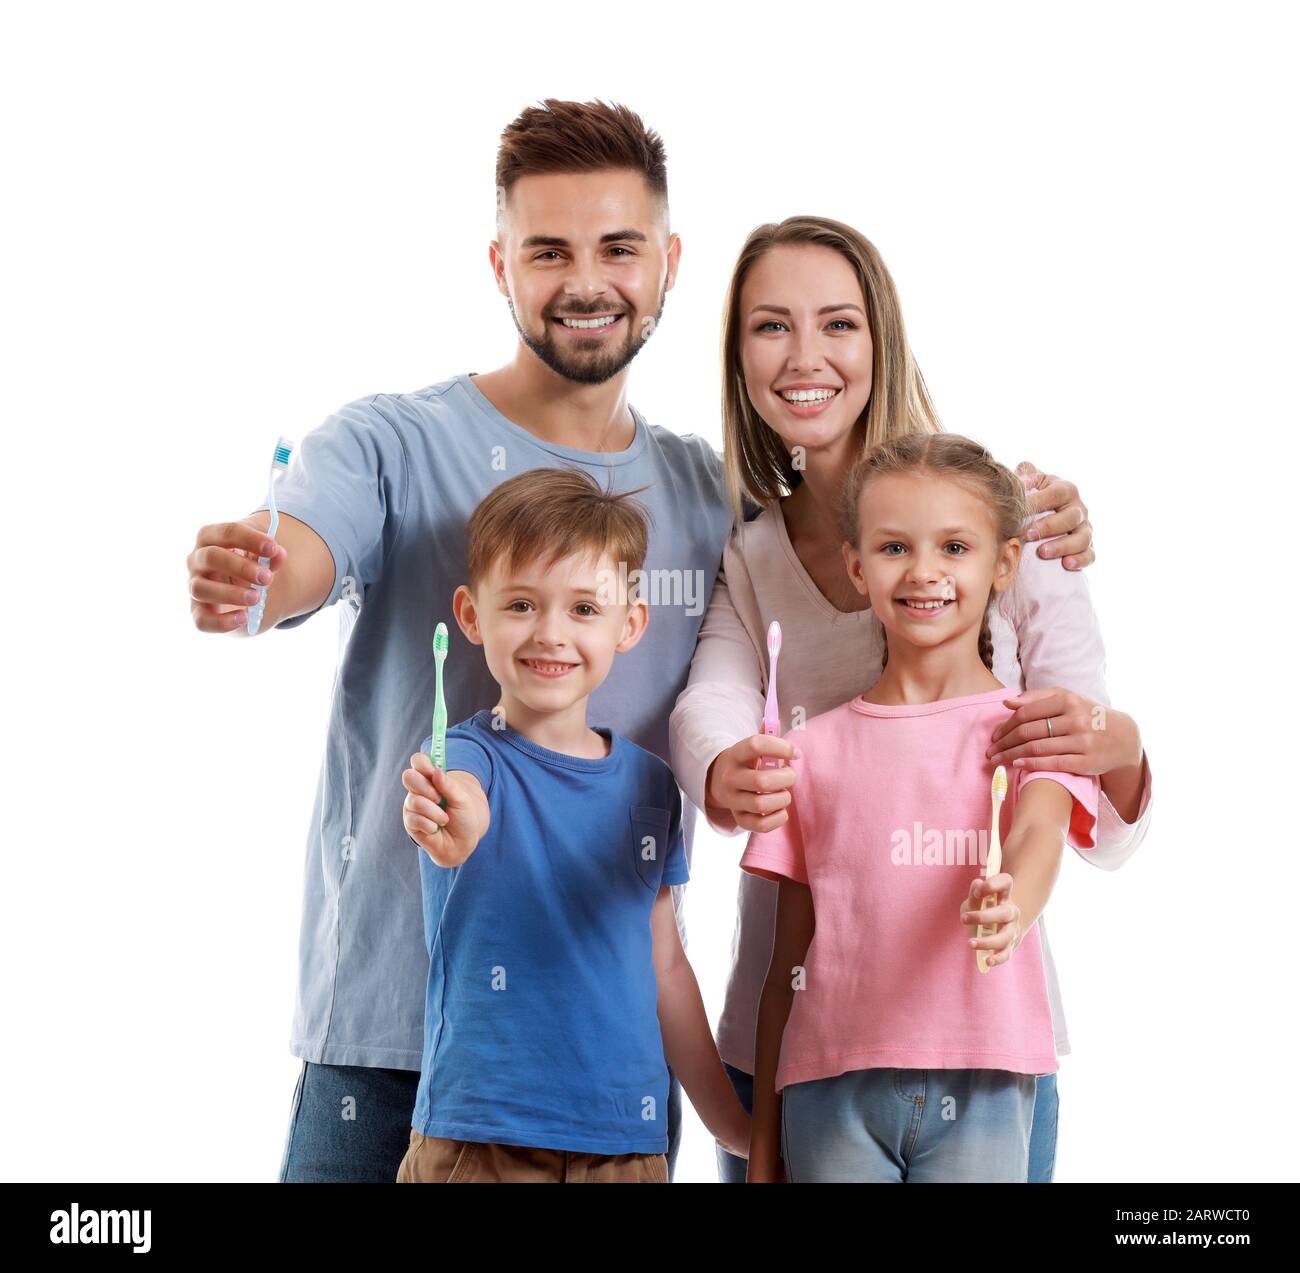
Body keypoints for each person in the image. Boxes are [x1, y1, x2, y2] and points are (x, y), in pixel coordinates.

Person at [184, 100, 1095, 1182]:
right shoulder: (391, 442)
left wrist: (1023, 525)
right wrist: (253, 573)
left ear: (666, 265)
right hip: (393, 1048)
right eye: (547, 250)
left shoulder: (710, 499)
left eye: (618, 248)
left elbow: (908, 575)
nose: (586, 281)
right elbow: (299, 555)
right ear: (499, 264)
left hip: (617, 1081)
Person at [667, 216, 1152, 1183]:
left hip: (982, 1034)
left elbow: (1080, 778)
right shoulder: (750, 553)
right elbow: (705, 707)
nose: (806, 356)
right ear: (737, 357)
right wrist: (728, 767)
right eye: (771, 327)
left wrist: (1119, 740)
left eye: (838, 324)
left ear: (881, 340)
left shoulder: (1007, 518)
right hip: (802, 1034)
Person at [744, 431, 1099, 1183]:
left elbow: (1038, 827)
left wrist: (1014, 903)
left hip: (987, 1079)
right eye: (895, 547)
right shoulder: (812, 753)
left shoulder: (1032, 724)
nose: (925, 572)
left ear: (1004, 563)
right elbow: (787, 967)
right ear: (857, 565)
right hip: (827, 1087)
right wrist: (765, 1144)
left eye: (955, 547)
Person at [395, 468, 747, 1183]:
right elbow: (461, 801)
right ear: (470, 614)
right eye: (521, 603)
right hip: (479, 1140)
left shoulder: (653, 784)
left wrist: (731, 1126)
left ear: (631, 624)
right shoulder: (465, 755)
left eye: (584, 608)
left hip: (626, 1146)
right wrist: (450, 821)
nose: (550, 633)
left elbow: (666, 963)